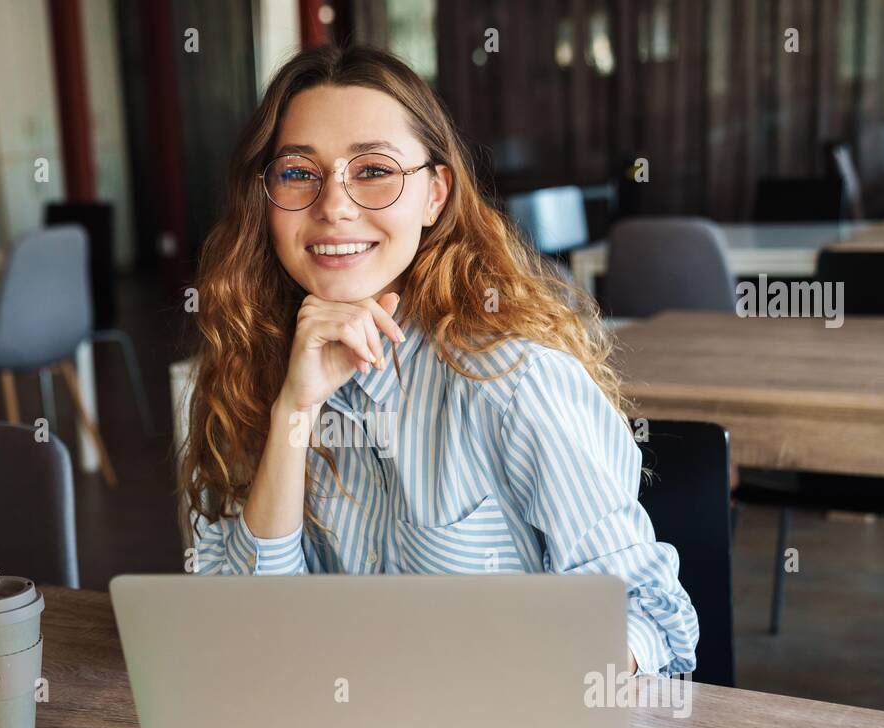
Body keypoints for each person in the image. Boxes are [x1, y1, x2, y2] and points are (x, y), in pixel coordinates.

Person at [180, 45, 699, 676]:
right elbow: (248, 636)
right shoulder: (247, 372)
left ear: (434, 194)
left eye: (372, 170)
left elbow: (647, 619)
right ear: (265, 199)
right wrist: (295, 408)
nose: (334, 205)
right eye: (298, 173)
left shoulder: (514, 383)